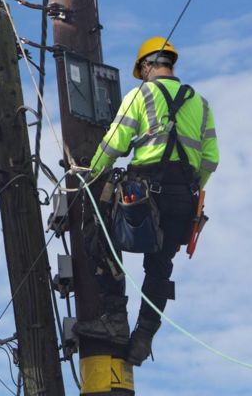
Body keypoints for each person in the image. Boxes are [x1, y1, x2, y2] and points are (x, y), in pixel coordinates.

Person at [82, 36, 219, 365]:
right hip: (184, 200)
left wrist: (89, 174)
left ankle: (114, 317)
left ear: (146, 66)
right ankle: (143, 336)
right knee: (159, 267)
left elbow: (115, 141)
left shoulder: (140, 94)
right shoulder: (200, 103)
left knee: (98, 232)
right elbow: (211, 158)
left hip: (143, 195)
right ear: (170, 63)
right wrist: (188, 187)